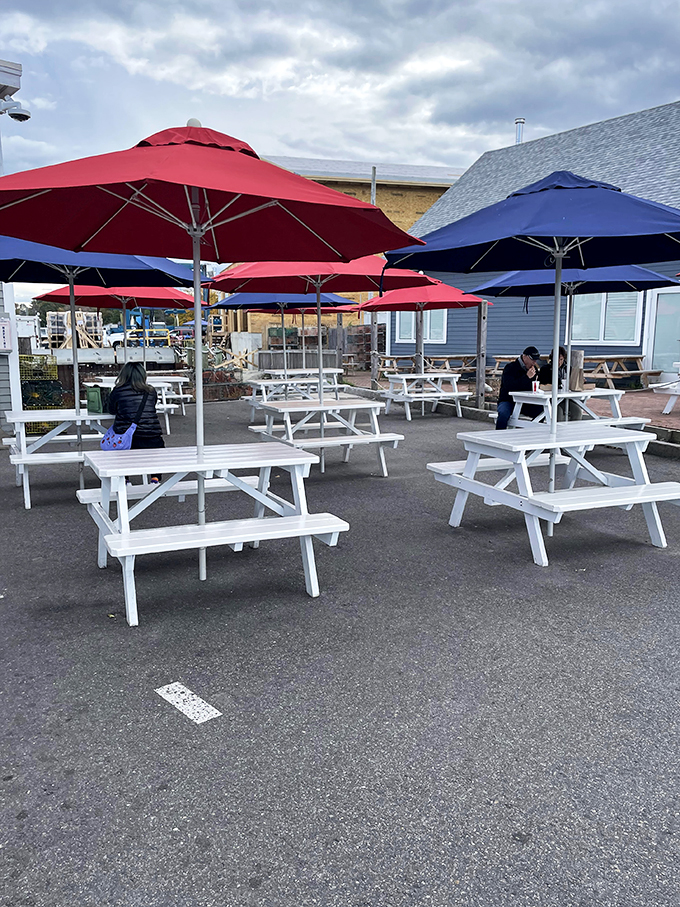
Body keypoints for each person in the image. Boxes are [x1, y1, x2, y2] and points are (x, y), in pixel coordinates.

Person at [107, 362, 164, 482]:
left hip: (128, 438)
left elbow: (111, 410)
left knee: (120, 454)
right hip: (152, 436)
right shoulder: (151, 391)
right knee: (155, 456)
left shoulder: (118, 391)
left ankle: (125, 479)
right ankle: (155, 478)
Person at [496, 346, 544, 430]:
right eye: (532, 359)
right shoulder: (510, 367)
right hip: (508, 400)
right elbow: (509, 386)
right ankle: (498, 435)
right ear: (524, 357)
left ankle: (530, 432)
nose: (534, 362)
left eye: (535, 360)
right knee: (503, 414)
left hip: (525, 401)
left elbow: (531, 386)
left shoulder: (534, 370)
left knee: (543, 412)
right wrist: (527, 377)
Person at [538, 346, 582, 421]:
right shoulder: (546, 369)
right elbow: (543, 382)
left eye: (561, 359)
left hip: (566, 397)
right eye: (557, 359)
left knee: (577, 412)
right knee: (558, 412)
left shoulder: (568, 368)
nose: (559, 362)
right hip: (552, 397)